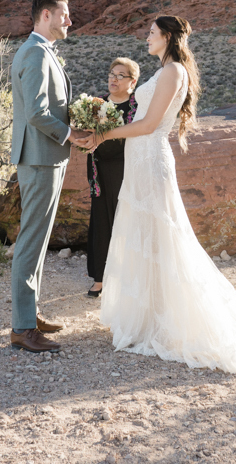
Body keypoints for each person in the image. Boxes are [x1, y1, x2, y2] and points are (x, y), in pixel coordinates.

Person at [92, 16, 236, 373]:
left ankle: (165, 319)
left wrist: (103, 135)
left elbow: (147, 125)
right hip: (140, 158)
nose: (146, 38)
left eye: (151, 33)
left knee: (160, 234)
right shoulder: (164, 69)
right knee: (145, 231)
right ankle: (148, 314)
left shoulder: (173, 71)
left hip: (150, 159)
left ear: (167, 37)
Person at [8, 0, 93, 353]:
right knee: (31, 240)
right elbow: (37, 114)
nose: (70, 21)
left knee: (39, 239)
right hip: (40, 158)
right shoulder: (35, 53)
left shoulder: (40, 52)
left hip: (46, 157)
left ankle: (30, 315)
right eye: (65, 15)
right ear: (46, 15)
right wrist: (72, 133)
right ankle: (22, 328)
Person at [85, 57, 140, 298]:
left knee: (126, 220)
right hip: (99, 170)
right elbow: (85, 132)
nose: (114, 79)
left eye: (121, 75)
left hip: (127, 170)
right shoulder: (97, 104)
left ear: (133, 81)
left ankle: (128, 278)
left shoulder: (138, 107)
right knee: (101, 221)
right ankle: (100, 279)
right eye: (111, 74)